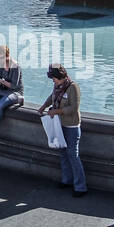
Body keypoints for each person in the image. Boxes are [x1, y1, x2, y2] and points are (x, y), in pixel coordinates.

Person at [38, 64, 87, 196]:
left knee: (73, 155)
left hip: (71, 126)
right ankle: (67, 180)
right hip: (59, 124)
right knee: (63, 153)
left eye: (54, 78)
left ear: (60, 77)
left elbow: (73, 108)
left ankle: (80, 187)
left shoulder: (73, 87)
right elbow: (52, 96)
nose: (53, 81)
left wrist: (57, 111)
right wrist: (44, 106)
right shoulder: (58, 86)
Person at [0, 45, 24, 135]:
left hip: (15, 92)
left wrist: (1, 81)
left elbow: (14, 86)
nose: (1, 60)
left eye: (2, 58)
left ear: (7, 55)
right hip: (4, 90)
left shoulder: (15, 66)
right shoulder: (0, 64)